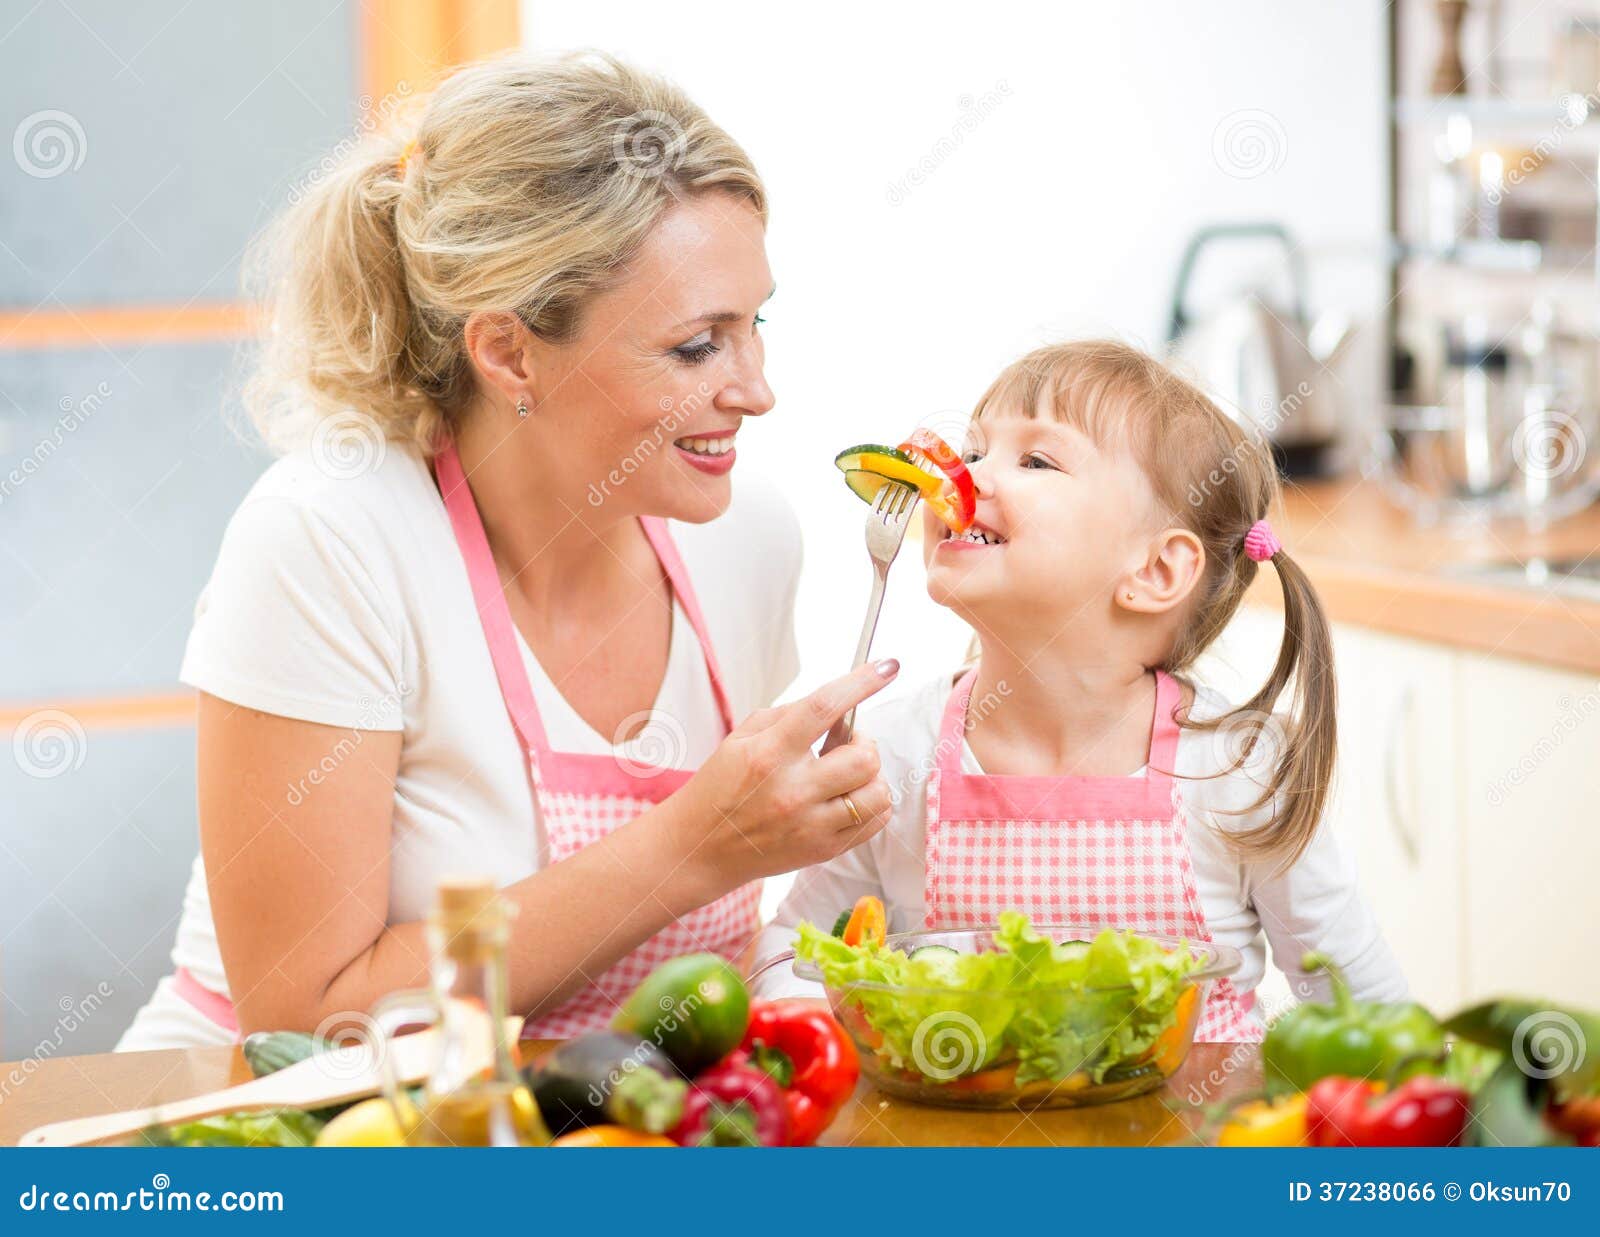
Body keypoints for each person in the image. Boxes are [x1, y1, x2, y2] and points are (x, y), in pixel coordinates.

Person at [117, 52, 895, 1050]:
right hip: (282, 1110)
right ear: (509, 352)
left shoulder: (747, 540)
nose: (756, 389)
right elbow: (309, 1018)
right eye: (697, 346)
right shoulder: (330, 540)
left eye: (756, 325)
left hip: (587, 1112)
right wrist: (695, 845)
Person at [759, 340, 1405, 1039]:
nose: (964, 475)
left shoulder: (1236, 768)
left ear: (1156, 571)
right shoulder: (891, 753)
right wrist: (824, 1036)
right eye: (974, 450)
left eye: (1036, 461)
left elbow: (1363, 1006)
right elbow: (790, 953)